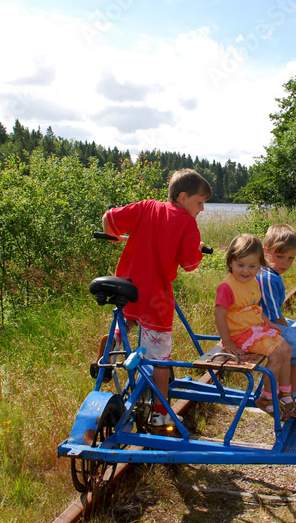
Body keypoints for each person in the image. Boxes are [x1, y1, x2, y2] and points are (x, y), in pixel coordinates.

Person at [101, 168, 211, 432]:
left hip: (126, 289)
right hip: (155, 298)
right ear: (183, 198)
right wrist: (197, 250)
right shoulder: (187, 223)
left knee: (127, 318)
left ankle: (115, 338)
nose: (203, 209)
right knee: (161, 359)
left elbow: (109, 218)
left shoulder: (146, 206)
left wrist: (115, 236)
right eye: (200, 202)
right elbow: (188, 264)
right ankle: (161, 414)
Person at [214, 233, 296, 421]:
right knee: (277, 354)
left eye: (253, 266)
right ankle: (266, 398)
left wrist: (269, 324)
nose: (246, 271)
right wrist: (227, 341)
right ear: (230, 263)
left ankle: (285, 394)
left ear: (259, 265)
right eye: (241, 265)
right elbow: (219, 315)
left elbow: (256, 308)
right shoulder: (227, 287)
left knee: (286, 349)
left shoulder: (253, 281)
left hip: (255, 329)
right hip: (240, 334)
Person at [257, 224, 296, 410]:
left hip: (268, 321)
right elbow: (275, 318)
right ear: (265, 251)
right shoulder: (267, 277)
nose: (285, 263)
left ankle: (287, 387)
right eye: (280, 256)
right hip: (263, 326)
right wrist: (288, 329)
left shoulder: (271, 273)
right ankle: (289, 396)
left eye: (290, 258)